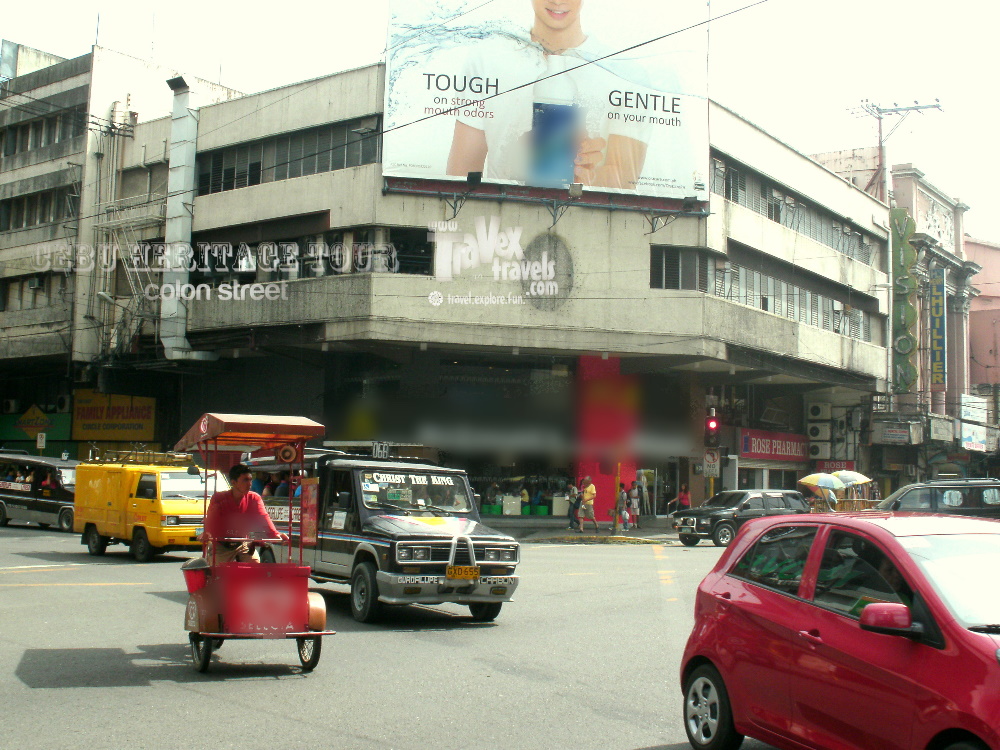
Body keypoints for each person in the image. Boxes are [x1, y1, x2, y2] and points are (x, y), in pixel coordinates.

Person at [446, 0, 650, 190]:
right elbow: (461, 177)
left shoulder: (626, 76)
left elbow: (624, 182)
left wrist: (588, 177)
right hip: (504, 219)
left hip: (583, 221)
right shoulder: (487, 59)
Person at [203, 463, 287, 564]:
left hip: (242, 544)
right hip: (221, 545)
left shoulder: (254, 498)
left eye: (250, 480)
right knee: (217, 572)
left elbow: (263, 517)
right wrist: (207, 533)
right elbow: (211, 520)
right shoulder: (219, 498)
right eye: (245, 480)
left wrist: (276, 534)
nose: (250, 483)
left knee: (255, 564)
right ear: (234, 482)